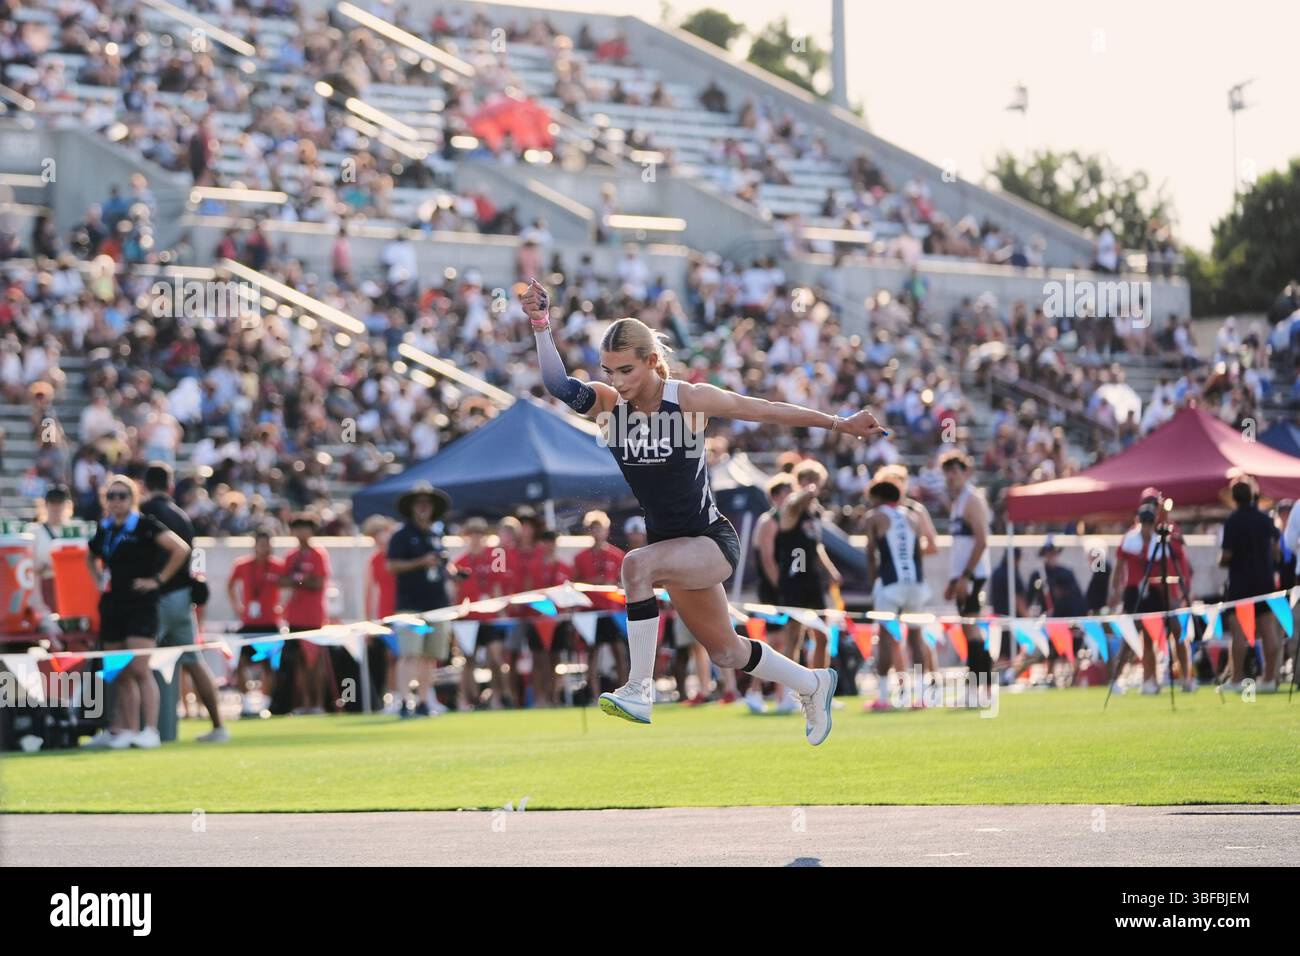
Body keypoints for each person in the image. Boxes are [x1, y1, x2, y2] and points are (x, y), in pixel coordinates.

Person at [525, 278, 886, 744]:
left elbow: (766, 410)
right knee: (727, 653)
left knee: (634, 565)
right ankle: (813, 684)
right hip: (671, 549)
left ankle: (640, 687)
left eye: (626, 370)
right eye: (609, 371)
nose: (617, 381)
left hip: (711, 541)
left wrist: (839, 423)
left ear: (653, 361)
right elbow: (557, 384)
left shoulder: (688, 399)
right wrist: (540, 324)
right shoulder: (610, 406)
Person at [82, 476, 190, 749]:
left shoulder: (145, 525)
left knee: (140, 668)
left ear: (133, 499)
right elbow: (89, 555)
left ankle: (150, 729)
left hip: (141, 603)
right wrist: (98, 581)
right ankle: (128, 729)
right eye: (112, 496)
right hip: (113, 603)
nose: (117, 501)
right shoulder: (105, 528)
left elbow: (180, 548)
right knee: (119, 671)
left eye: (122, 496)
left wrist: (158, 580)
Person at [140, 462, 227, 742]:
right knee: (193, 661)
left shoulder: (147, 513)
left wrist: (158, 580)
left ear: (144, 485)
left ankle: (146, 728)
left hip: (160, 597)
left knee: (139, 659)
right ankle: (218, 726)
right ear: (169, 486)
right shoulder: (182, 516)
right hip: (183, 598)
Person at [1109, 488, 1195, 693]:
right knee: (1135, 637)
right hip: (1138, 593)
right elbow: (1120, 567)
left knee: (1177, 632)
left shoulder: (1168, 534)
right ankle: (1142, 680)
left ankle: (1185, 678)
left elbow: (1179, 562)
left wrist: (1184, 589)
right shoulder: (1131, 537)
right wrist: (1116, 591)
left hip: (1163, 591)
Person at [863, 478, 933, 710]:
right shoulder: (912, 517)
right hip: (915, 583)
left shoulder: (874, 517)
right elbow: (919, 555)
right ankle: (921, 697)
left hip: (890, 583)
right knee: (916, 638)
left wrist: (874, 582)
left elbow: (871, 553)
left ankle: (884, 698)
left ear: (879, 497)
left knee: (885, 638)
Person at [386, 483, 453, 715]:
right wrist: (420, 562)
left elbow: (440, 566)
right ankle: (405, 701)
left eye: (428, 503)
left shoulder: (436, 534)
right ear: (412, 507)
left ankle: (424, 701)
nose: (424, 507)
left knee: (430, 657)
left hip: (437, 603)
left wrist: (451, 572)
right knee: (409, 654)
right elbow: (391, 565)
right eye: (420, 503)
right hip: (410, 605)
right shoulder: (401, 536)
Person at [776, 459, 841, 693]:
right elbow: (797, 500)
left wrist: (831, 570)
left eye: (817, 481)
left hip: (812, 579)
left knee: (823, 634)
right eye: (809, 480)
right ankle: (788, 692)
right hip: (794, 579)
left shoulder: (814, 512)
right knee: (793, 636)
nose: (814, 486)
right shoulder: (791, 507)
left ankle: (818, 689)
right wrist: (807, 491)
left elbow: (816, 546)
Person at [1220, 476, 1281, 690]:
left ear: (1234, 498)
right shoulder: (1265, 519)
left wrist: (1223, 561)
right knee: (1268, 632)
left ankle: (1237, 679)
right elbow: (1277, 548)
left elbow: (1227, 554)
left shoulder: (1233, 521)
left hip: (1240, 584)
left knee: (1239, 635)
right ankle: (1269, 679)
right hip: (1265, 582)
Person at [940, 450, 993, 685]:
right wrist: (953, 581)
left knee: (971, 628)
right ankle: (981, 683)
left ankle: (979, 682)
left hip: (972, 574)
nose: (950, 476)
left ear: (965, 472)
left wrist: (965, 577)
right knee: (968, 628)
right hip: (962, 576)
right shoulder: (958, 501)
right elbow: (961, 546)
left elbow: (982, 541)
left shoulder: (972, 499)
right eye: (947, 472)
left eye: (955, 471)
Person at [448, 516, 511, 709]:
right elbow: (455, 592)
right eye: (472, 534)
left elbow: (499, 585)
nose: (476, 538)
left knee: (496, 658)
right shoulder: (459, 563)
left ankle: (500, 695)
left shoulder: (495, 557)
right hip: (468, 618)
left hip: (490, 617)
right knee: (469, 660)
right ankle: (470, 699)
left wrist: (502, 612)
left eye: (479, 534)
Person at [747, 474, 794, 713]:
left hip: (785, 589)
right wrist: (781, 588)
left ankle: (780, 695)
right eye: (786, 493)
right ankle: (754, 691)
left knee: (785, 642)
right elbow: (767, 559)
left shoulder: (790, 519)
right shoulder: (769, 521)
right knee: (774, 642)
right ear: (775, 497)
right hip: (772, 590)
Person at [278, 513, 331, 715]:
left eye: (305, 527)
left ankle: (318, 703)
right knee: (299, 662)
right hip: (294, 615)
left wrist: (297, 581)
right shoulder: (291, 556)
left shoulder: (318, 554)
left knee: (315, 663)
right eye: (297, 528)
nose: (301, 532)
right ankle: (304, 702)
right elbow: (281, 581)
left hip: (313, 616)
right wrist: (301, 580)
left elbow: (317, 583)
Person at [227, 527, 283, 717]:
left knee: (269, 665)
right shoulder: (243, 565)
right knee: (241, 663)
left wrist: (282, 607)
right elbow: (230, 585)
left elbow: (291, 585)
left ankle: (264, 704)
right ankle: (245, 703)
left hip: (270, 622)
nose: (264, 548)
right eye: (261, 544)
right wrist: (238, 606)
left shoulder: (278, 566)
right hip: (249, 623)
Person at [572, 510, 629, 693]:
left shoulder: (617, 555)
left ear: (607, 530)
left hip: (612, 610)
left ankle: (624, 690)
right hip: (591, 611)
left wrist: (611, 585)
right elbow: (575, 584)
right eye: (593, 529)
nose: (597, 532)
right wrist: (593, 583)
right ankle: (593, 692)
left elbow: (623, 583)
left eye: (600, 528)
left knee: (618, 651)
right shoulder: (580, 558)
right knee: (592, 652)